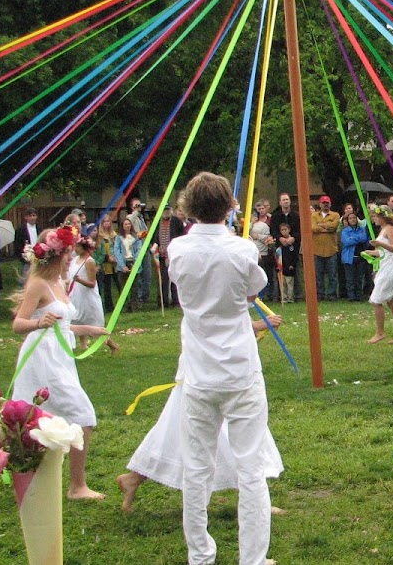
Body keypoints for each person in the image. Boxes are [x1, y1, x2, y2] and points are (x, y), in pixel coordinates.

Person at [164, 172, 273, 565]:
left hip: (199, 372)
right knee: (250, 469)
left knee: (197, 468)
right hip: (239, 371)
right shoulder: (241, 250)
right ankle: (252, 559)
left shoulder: (178, 249)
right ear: (229, 207)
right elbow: (252, 290)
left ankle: (200, 555)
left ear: (188, 208)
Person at [117, 316, 284, 513]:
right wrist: (256, 325)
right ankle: (255, 502)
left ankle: (133, 479)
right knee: (235, 434)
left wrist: (249, 330)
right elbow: (214, 314)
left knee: (182, 434)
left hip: (214, 368)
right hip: (205, 373)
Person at [12, 225, 110, 500]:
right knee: (80, 413)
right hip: (42, 356)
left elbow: (62, 326)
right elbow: (18, 324)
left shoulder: (58, 284)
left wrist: (88, 330)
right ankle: (77, 486)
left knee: (39, 418)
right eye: (67, 253)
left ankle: (39, 479)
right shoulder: (39, 284)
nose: (71, 257)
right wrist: (37, 322)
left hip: (60, 355)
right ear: (56, 255)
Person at [68, 233, 120, 355]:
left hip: (87, 297)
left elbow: (92, 283)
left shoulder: (89, 261)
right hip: (76, 295)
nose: (75, 249)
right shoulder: (75, 260)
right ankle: (83, 345)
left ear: (84, 247)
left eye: (78, 247)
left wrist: (79, 279)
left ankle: (112, 345)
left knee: (93, 324)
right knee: (77, 320)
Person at [364, 205, 393, 344]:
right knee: (392, 301)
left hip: (391, 270)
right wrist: (372, 252)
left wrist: (380, 244)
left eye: (375, 216)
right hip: (388, 267)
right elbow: (385, 252)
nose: (374, 219)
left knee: (376, 300)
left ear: (383, 217)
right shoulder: (384, 230)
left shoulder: (390, 229)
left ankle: (380, 332)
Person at [155, 205, 187, 307]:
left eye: (168, 209)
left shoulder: (176, 221)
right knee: (163, 278)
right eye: (164, 210)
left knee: (175, 278)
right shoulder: (157, 222)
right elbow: (154, 236)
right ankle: (163, 301)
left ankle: (176, 300)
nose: (166, 212)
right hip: (161, 254)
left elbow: (182, 236)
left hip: (174, 254)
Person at [311, 196, 341, 301]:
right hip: (317, 250)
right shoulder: (314, 215)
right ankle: (320, 295)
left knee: (332, 275)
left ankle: (332, 295)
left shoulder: (335, 215)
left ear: (330, 204)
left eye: (327, 203)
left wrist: (321, 225)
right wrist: (327, 226)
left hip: (331, 249)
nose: (325, 204)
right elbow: (313, 228)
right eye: (323, 203)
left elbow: (334, 226)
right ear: (319, 204)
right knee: (319, 275)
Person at [114, 218, 144, 312]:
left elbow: (139, 249)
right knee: (123, 286)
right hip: (123, 263)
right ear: (122, 226)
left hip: (133, 261)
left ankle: (134, 306)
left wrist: (136, 262)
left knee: (134, 287)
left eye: (129, 224)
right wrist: (122, 265)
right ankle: (125, 306)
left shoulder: (136, 237)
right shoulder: (119, 237)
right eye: (125, 224)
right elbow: (116, 251)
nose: (127, 226)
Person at [339, 212, 370, 302]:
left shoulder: (361, 229)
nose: (352, 220)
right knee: (350, 278)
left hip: (360, 257)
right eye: (350, 218)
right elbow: (346, 242)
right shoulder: (345, 231)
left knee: (359, 278)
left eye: (354, 218)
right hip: (349, 257)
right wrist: (357, 238)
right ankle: (351, 297)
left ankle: (359, 296)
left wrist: (353, 238)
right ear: (347, 221)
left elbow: (364, 238)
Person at [14, 207, 40, 284]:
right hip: (27, 259)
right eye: (29, 216)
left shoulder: (40, 229)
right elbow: (17, 245)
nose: (32, 218)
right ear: (26, 217)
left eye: (33, 215)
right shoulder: (20, 230)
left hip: (39, 258)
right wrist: (24, 258)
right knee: (26, 280)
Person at [275, 222, 298, 304]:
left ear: (289, 230)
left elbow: (295, 255)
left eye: (285, 229)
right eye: (282, 230)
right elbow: (277, 254)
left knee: (290, 283)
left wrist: (292, 264)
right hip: (282, 266)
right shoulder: (279, 242)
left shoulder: (292, 242)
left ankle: (290, 298)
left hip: (290, 267)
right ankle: (283, 298)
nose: (284, 231)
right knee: (282, 283)